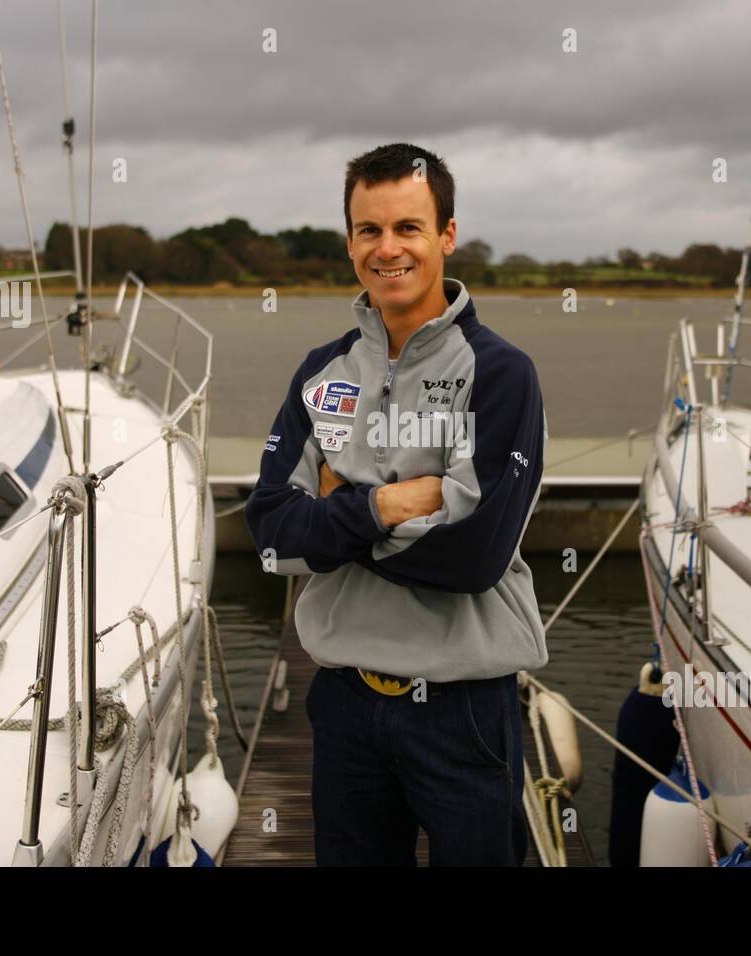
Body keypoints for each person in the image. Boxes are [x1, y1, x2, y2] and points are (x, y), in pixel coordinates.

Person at [244, 142, 549, 866]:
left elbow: (473, 556)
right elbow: (269, 537)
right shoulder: (322, 373)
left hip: (464, 710)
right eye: (368, 230)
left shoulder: (502, 375)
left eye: (408, 228)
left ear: (446, 234)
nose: (388, 249)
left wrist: (334, 514)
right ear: (349, 240)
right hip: (345, 704)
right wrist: (385, 508)